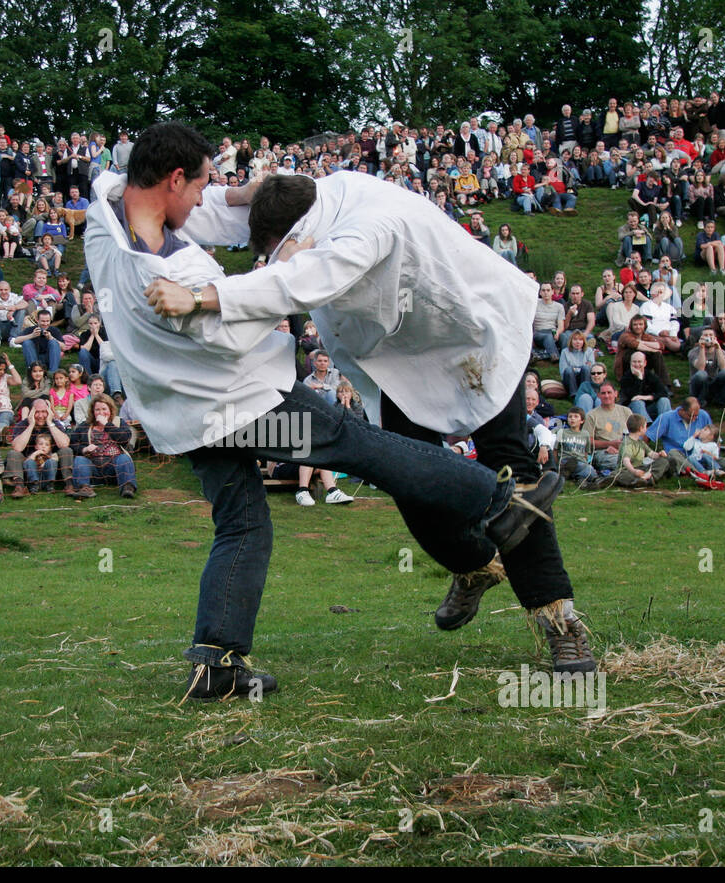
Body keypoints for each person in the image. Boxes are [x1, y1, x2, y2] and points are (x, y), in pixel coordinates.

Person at [98, 123, 568, 698]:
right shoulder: (186, 266)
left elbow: (253, 242)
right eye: (197, 186)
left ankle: (217, 663)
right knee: (358, 446)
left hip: (466, 333)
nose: (203, 199)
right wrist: (244, 260)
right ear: (174, 180)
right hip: (246, 404)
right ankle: (496, 505)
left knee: (245, 521)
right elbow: (243, 321)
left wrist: (232, 232)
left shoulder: (107, 211)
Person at [68, 394, 137, 499]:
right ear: (93, 411)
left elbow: (125, 438)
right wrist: (84, 449)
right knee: (80, 460)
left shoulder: (118, 422)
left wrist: (107, 424)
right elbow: (72, 443)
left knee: (124, 458)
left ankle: (127, 487)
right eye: (97, 410)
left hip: (114, 469)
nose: (101, 413)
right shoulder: (85, 425)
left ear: (110, 409)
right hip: (93, 469)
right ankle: (85, 488)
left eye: (104, 409)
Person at [616, 413, 671, 486]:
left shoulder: (641, 442)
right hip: (627, 471)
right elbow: (626, 461)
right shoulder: (627, 443)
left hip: (640, 468)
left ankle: (646, 478)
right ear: (640, 428)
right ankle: (644, 479)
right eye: (645, 427)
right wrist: (634, 471)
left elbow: (651, 455)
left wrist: (659, 454)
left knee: (664, 461)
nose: (646, 429)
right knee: (623, 476)